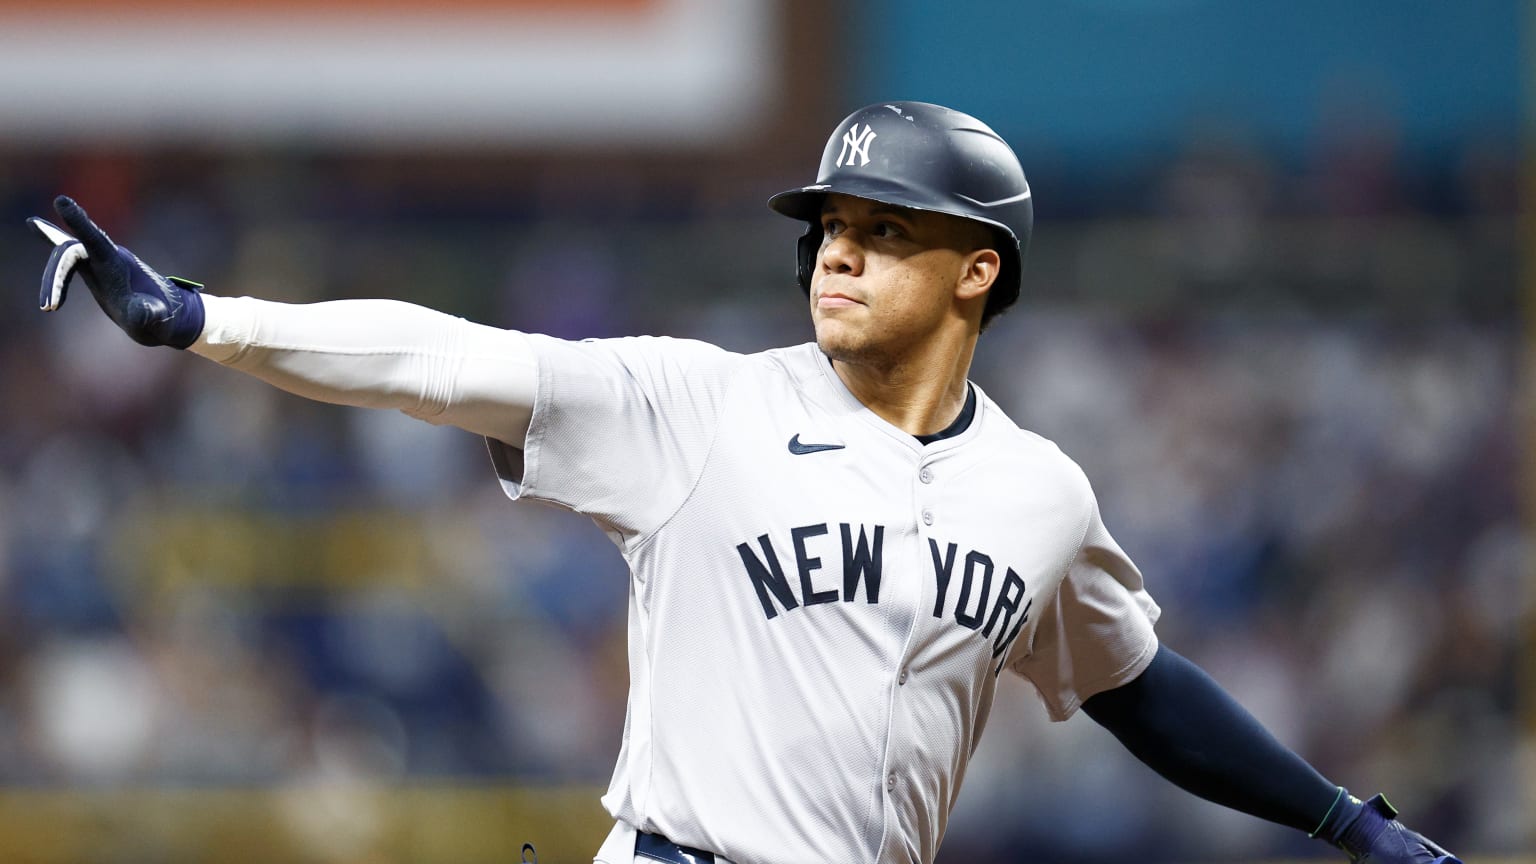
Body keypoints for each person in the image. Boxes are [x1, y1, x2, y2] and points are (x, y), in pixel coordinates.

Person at [29, 101, 1459, 864]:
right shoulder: (700, 403)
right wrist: (211, 320)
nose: (837, 250)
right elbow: (449, 358)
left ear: (978, 272)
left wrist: (1347, 822)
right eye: (830, 223)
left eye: (885, 227)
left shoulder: (1040, 492)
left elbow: (1140, 685)